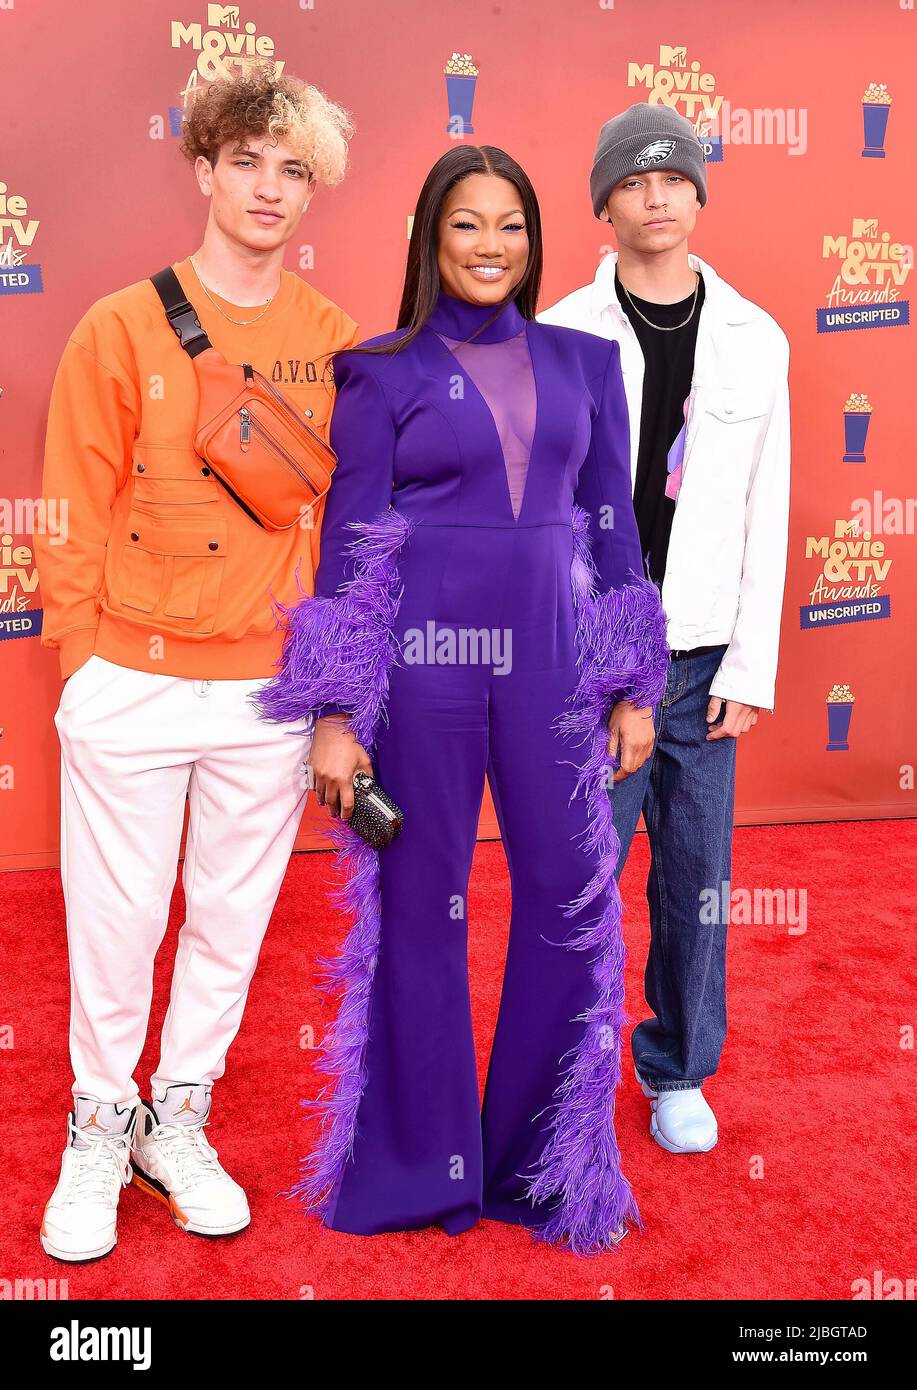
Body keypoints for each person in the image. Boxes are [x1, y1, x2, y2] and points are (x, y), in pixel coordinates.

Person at [254, 144, 670, 1254]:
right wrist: (336, 714)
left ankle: (538, 1169)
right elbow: (346, 550)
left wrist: (635, 683)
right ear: (430, 242)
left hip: (552, 667)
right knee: (417, 906)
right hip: (420, 669)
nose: (490, 247)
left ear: (535, 242)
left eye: (511, 227)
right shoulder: (377, 370)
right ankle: (413, 1167)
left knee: (568, 904)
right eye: (466, 226)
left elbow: (614, 528)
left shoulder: (588, 362)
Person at [35, 64, 358, 1263]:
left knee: (228, 921)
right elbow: (66, 503)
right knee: (115, 924)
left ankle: (177, 1118)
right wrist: (82, 667)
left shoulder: (333, 340)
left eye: (293, 170)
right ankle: (94, 1124)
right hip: (131, 678)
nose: (268, 190)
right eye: (247, 163)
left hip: (265, 692)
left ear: (312, 189)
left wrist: (328, 693)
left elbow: (344, 535)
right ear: (205, 167)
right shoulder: (119, 326)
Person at [539, 103, 791, 1153]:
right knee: (576, 874)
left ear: (697, 194)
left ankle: (676, 1068)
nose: (656, 196)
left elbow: (762, 506)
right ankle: (560, 1072)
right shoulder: (559, 329)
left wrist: (749, 663)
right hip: (592, 655)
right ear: (602, 202)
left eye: (674, 178)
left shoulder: (753, 336)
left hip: (697, 658)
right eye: (633, 181)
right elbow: (539, 505)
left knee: (695, 877)